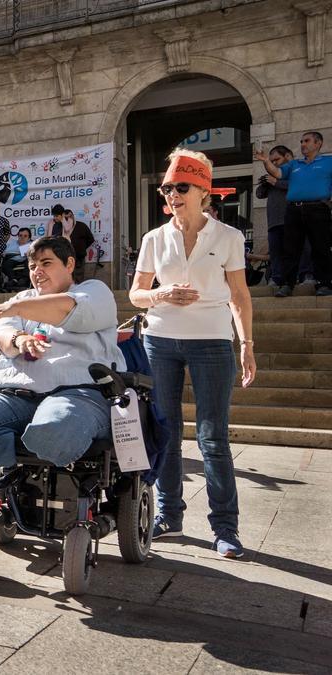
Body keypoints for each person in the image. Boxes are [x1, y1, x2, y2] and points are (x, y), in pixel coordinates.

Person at [130, 148, 256, 559]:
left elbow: (239, 296)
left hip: (213, 342)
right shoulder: (154, 238)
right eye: (167, 188)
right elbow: (135, 295)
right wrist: (160, 294)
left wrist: (247, 345)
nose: (172, 194)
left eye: (181, 187)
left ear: (204, 191)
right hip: (160, 342)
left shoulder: (228, 237)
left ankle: (225, 528)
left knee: (213, 437)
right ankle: (170, 515)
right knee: (166, 431)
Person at [0, 236, 124, 468]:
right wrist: (19, 339)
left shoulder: (95, 291)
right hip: (16, 395)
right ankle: (19, 464)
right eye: (33, 266)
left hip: (77, 394)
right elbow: (1, 334)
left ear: (70, 264)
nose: (37, 272)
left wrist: (13, 308)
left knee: (52, 431)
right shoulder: (23, 298)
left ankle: (42, 443)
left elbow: (69, 310)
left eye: (46, 263)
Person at [255, 131, 332, 297]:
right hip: (294, 210)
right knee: (291, 249)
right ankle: (287, 284)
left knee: (320, 248)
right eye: (301, 141)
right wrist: (266, 161)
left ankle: (324, 284)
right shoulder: (295, 164)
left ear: (318, 143)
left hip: (318, 208)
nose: (303, 144)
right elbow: (277, 173)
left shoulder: (328, 162)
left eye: (307, 141)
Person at [254, 145, 314, 288]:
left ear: (288, 156)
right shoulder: (273, 175)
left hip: (296, 218)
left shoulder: (299, 170)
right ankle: (277, 278)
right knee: (276, 253)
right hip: (274, 221)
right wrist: (265, 183)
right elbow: (259, 194)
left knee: (302, 250)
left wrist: (276, 182)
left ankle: (305, 276)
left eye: (277, 160)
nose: (274, 163)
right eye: (272, 161)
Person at [52, 209, 95, 283]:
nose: (68, 219)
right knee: (65, 278)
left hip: (78, 257)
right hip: (63, 258)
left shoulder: (81, 226)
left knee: (78, 278)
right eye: (66, 217)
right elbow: (54, 240)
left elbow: (90, 239)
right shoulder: (58, 227)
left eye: (70, 216)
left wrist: (81, 248)